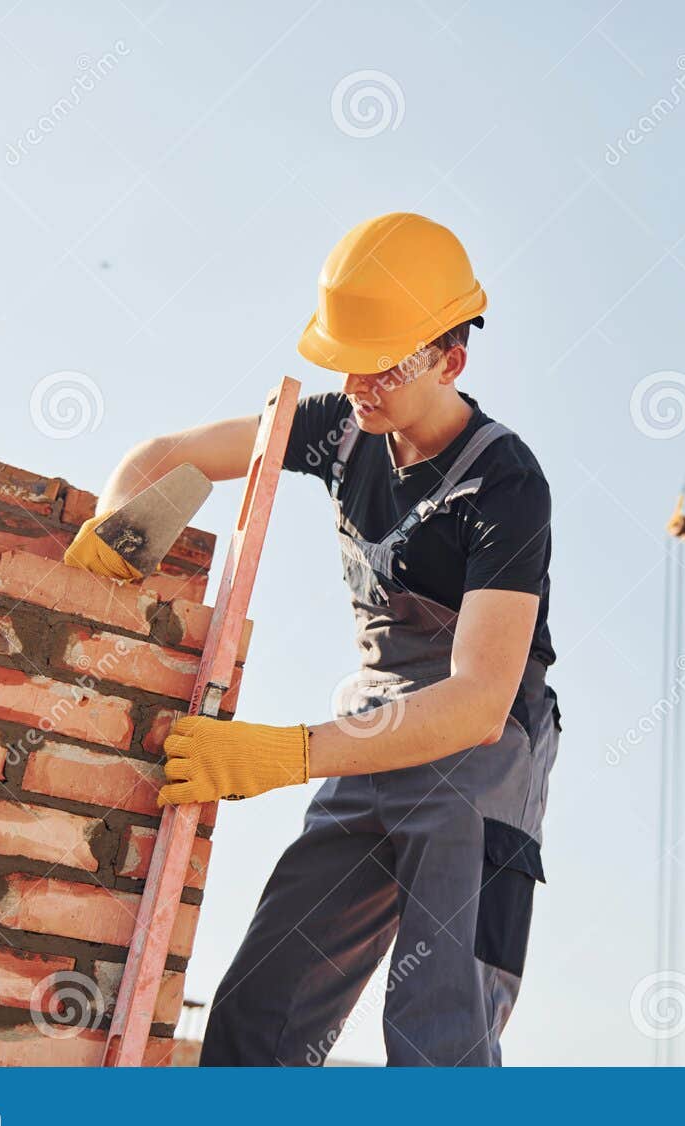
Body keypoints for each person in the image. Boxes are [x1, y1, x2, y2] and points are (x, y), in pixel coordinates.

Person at [64, 212, 560, 1066]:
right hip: (367, 740)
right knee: (260, 1016)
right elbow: (165, 454)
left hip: (476, 768)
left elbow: (479, 702)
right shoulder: (339, 428)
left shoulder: (506, 481)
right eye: (349, 360)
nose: (361, 383)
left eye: (385, 365)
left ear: (451, 360)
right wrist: (122, 527)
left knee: (438, 1032)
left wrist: (286, 754)